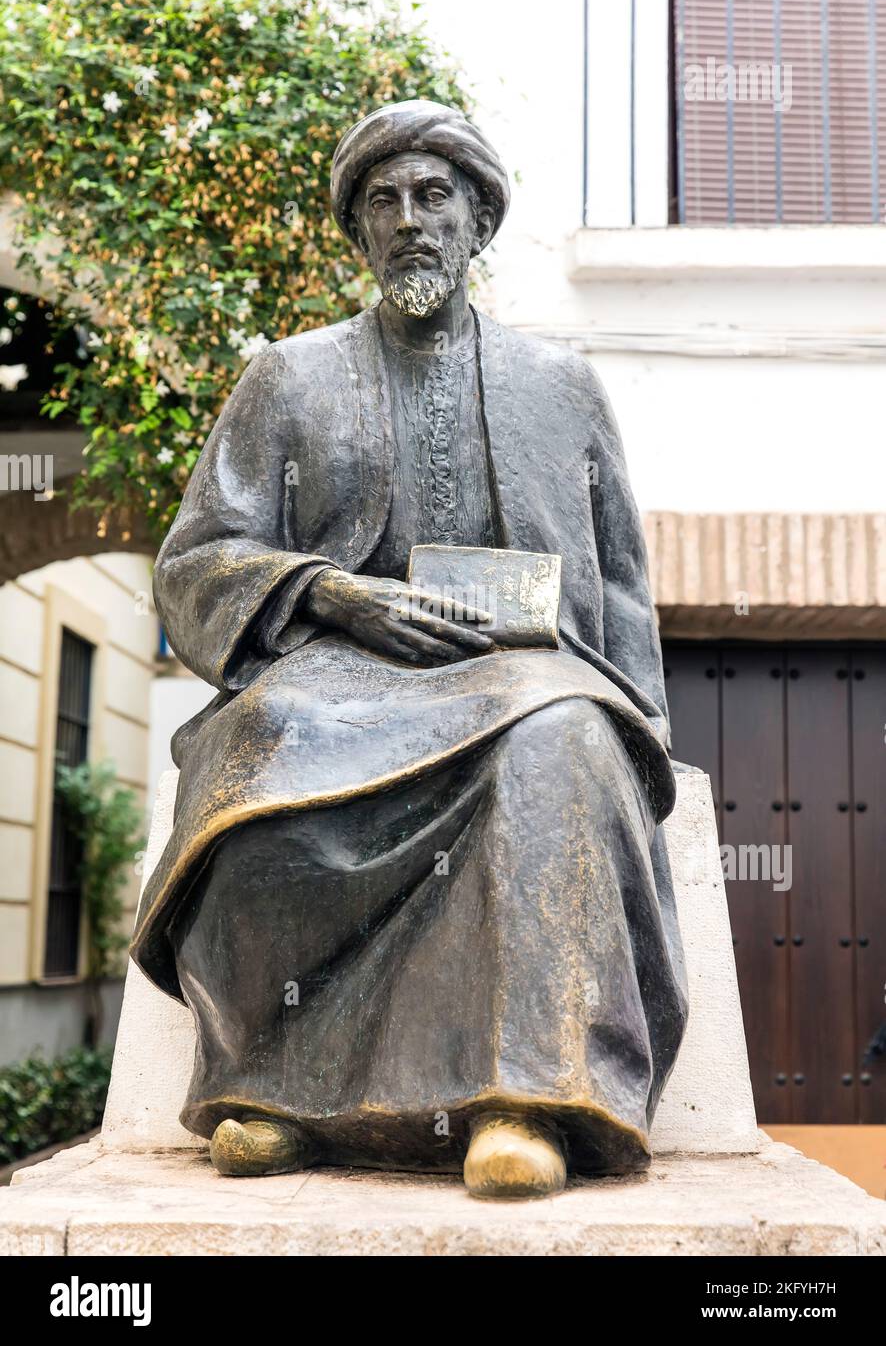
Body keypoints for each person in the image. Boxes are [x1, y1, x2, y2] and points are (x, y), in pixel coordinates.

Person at [132, 100, 688, 1198]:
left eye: (435, 196)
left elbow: (620, 582)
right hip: (339, 671)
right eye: (382, 202)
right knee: (266, 742)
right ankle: (276, 1086)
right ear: (358, 232)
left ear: (477, 219)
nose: (408, 221)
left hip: (526, 670)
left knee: (563, 738)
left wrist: (644, 728)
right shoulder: (286, 379)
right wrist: (330, 592)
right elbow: (194, 560)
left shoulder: (562, 387)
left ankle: (525, 1096)